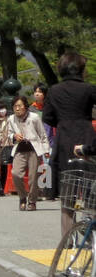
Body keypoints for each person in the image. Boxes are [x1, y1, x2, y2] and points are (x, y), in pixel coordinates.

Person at [44, 51, 96, 233]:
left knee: (68, 196)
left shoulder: (54, 90)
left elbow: (48, 117)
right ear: (80, 69)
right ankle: (90, 232)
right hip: (87, 138)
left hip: (64, 140)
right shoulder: (89, 89)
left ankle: (67, 242)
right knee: (91, 190)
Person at [6, 95, 49, 211]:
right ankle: (22, 197)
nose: (17, 109)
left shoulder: (34, 117)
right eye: (15, 106)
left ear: (25, 106)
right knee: (16, 173)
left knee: (33, 177)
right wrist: (14, 136)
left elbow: (42, 134)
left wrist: (46, 151)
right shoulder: (11, 119)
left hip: (34, 149)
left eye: (19, 106)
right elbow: (9, 134)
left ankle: (32, 201)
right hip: (19, 149)